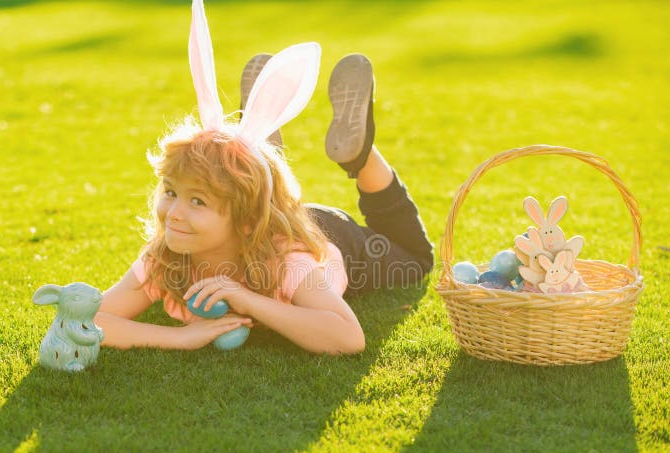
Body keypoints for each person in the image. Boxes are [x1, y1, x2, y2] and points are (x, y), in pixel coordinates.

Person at [95, 1, 432, 355]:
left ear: (246, 220)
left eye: (197, 201)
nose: (174, 212)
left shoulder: (286, 261)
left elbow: (348, 337)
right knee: (248, 189)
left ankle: (361, 157)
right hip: (268, 210)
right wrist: (180, 337)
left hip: (335, 238)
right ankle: (256, 148)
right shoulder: (167, 254)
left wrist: (249, 300)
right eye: (170, 191)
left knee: (416, 258)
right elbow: (93, 318)